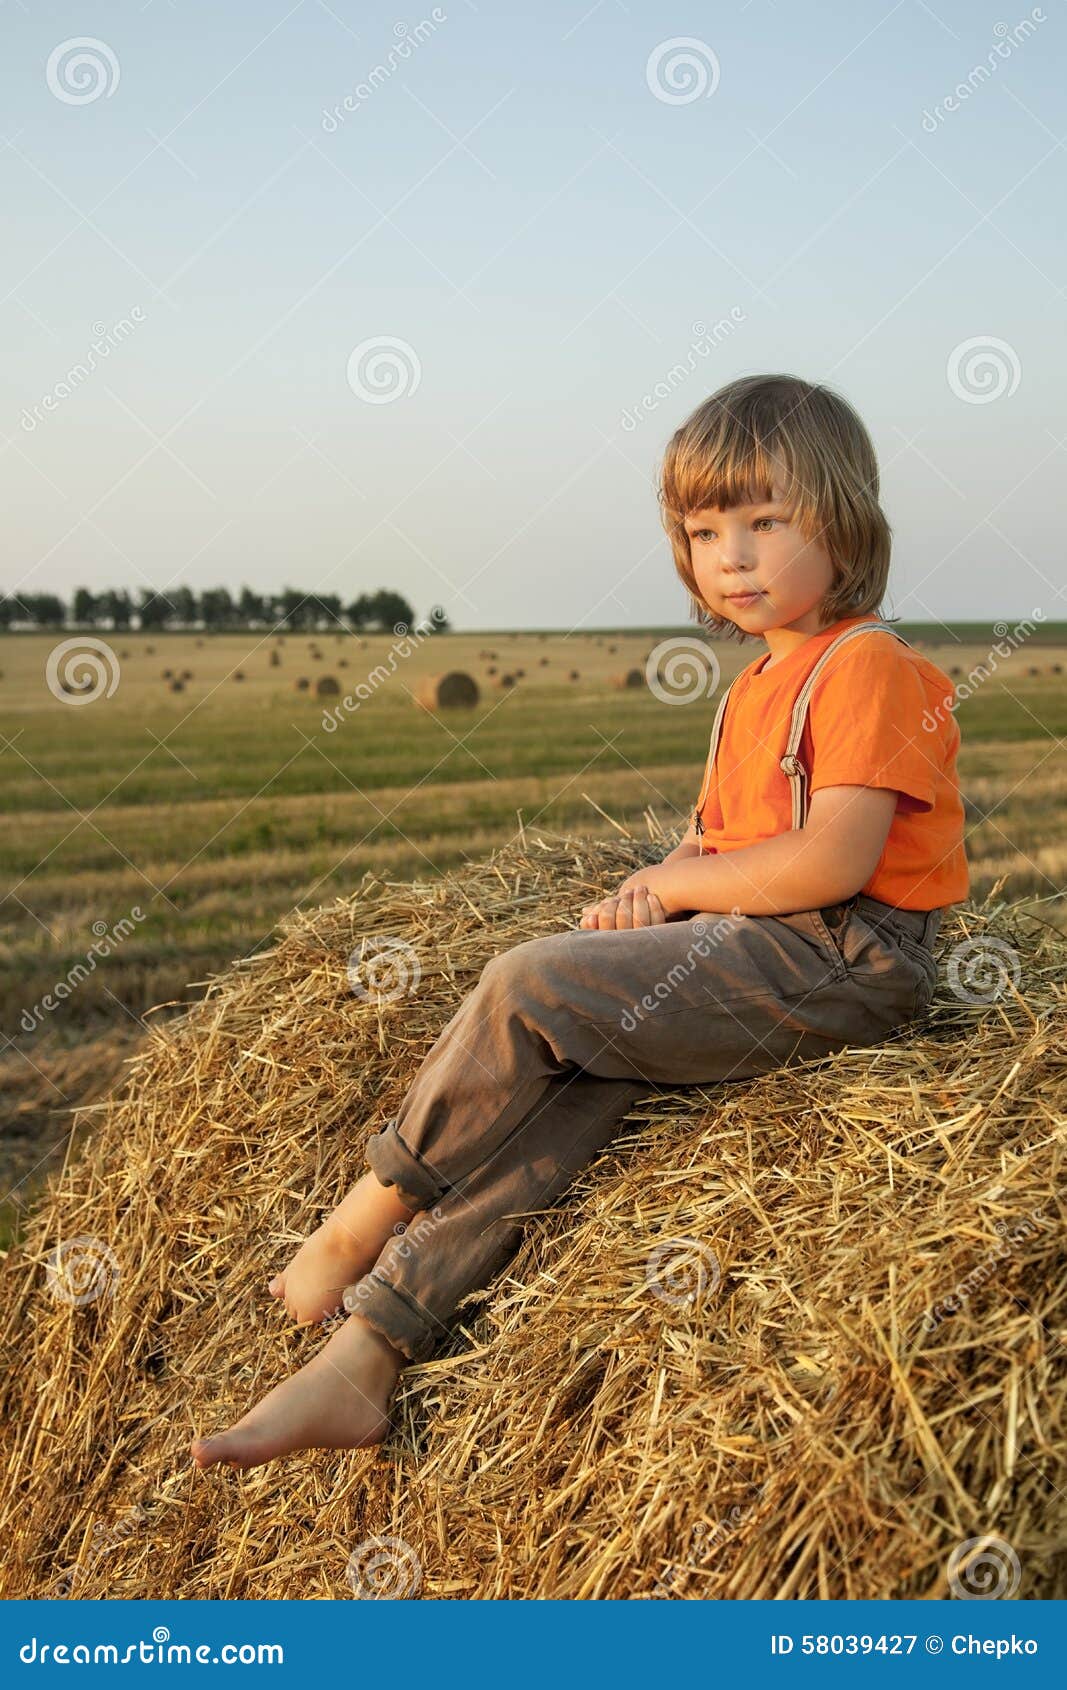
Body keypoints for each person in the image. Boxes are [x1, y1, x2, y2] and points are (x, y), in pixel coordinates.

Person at [190, 372, 969, 1471]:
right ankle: (370, 1347)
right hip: (772, 950)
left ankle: (367, 1209)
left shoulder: (866, 667)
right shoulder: (755, 685)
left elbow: (829, 858)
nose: (731, 556)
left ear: (842, 524)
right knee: (579, 1078)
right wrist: (654, 896)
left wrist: (682, 890)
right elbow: (725, 846)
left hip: (849, 956)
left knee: (525, 983)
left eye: (764, 521)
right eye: (704, 531)